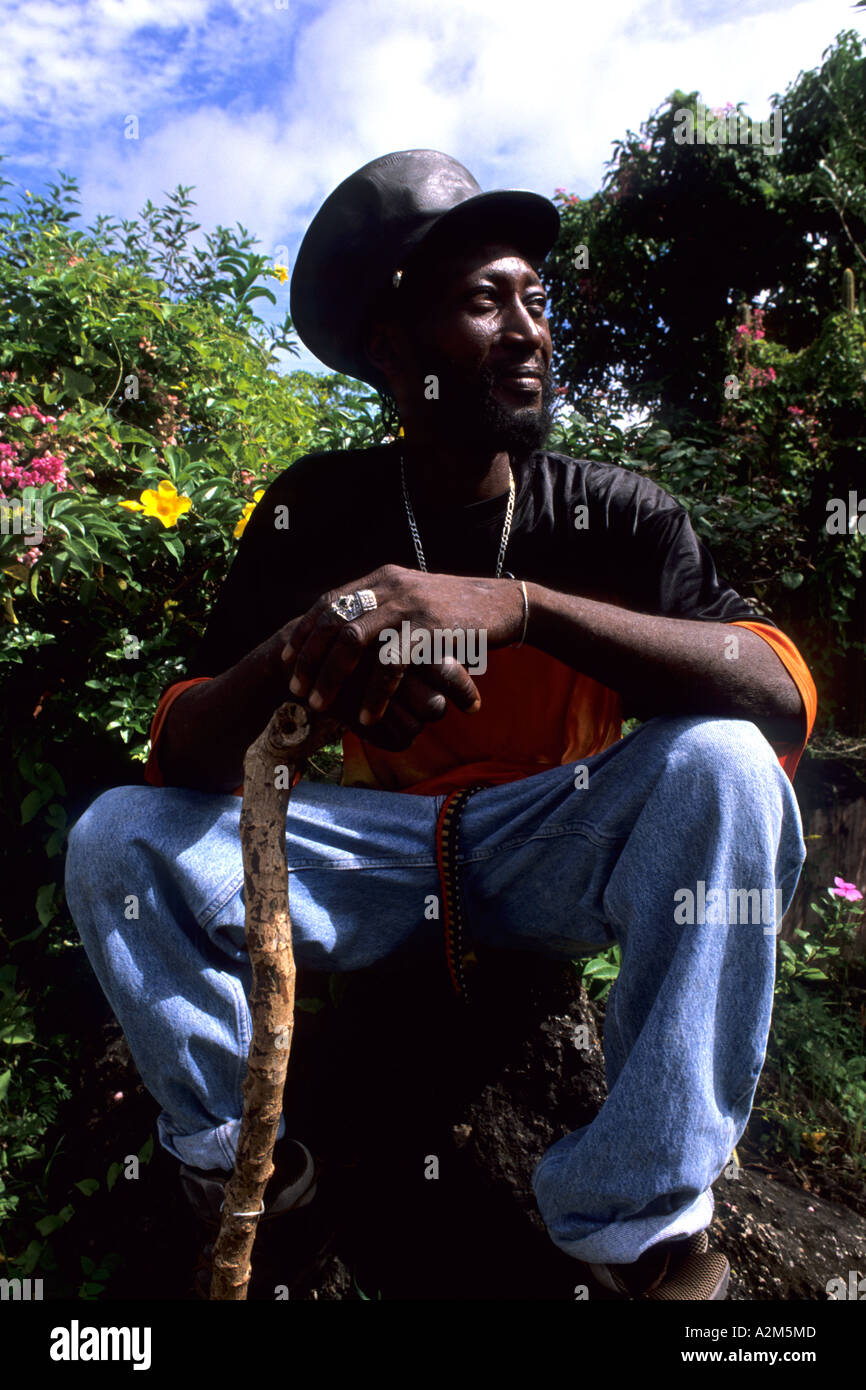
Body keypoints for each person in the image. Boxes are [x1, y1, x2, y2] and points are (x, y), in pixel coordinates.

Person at [64, 149, 816, 1301]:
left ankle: (633, 1221)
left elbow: (774, 693)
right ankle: (243, 1165)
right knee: (117, 835)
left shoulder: (615, 516)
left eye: (535, 298)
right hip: (367, 856)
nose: (528, 330)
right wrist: (320, 642)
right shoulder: (314, 511)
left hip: (549, 841)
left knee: (722, 762)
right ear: (391, 351)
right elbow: (183, 755)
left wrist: (521, 610)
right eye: (482, 301)